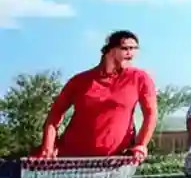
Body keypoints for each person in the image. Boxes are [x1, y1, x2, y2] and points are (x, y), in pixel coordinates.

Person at [38, 30, 158, 160]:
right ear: (109, 50)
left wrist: (141, 144)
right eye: (125, 48)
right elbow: (54, 115)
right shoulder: (80, 81)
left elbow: (151, 114)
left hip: (116, 160)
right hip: (73, 158)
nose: (130, 53)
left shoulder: (140, 78)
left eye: (134, 49)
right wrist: (48, 146)